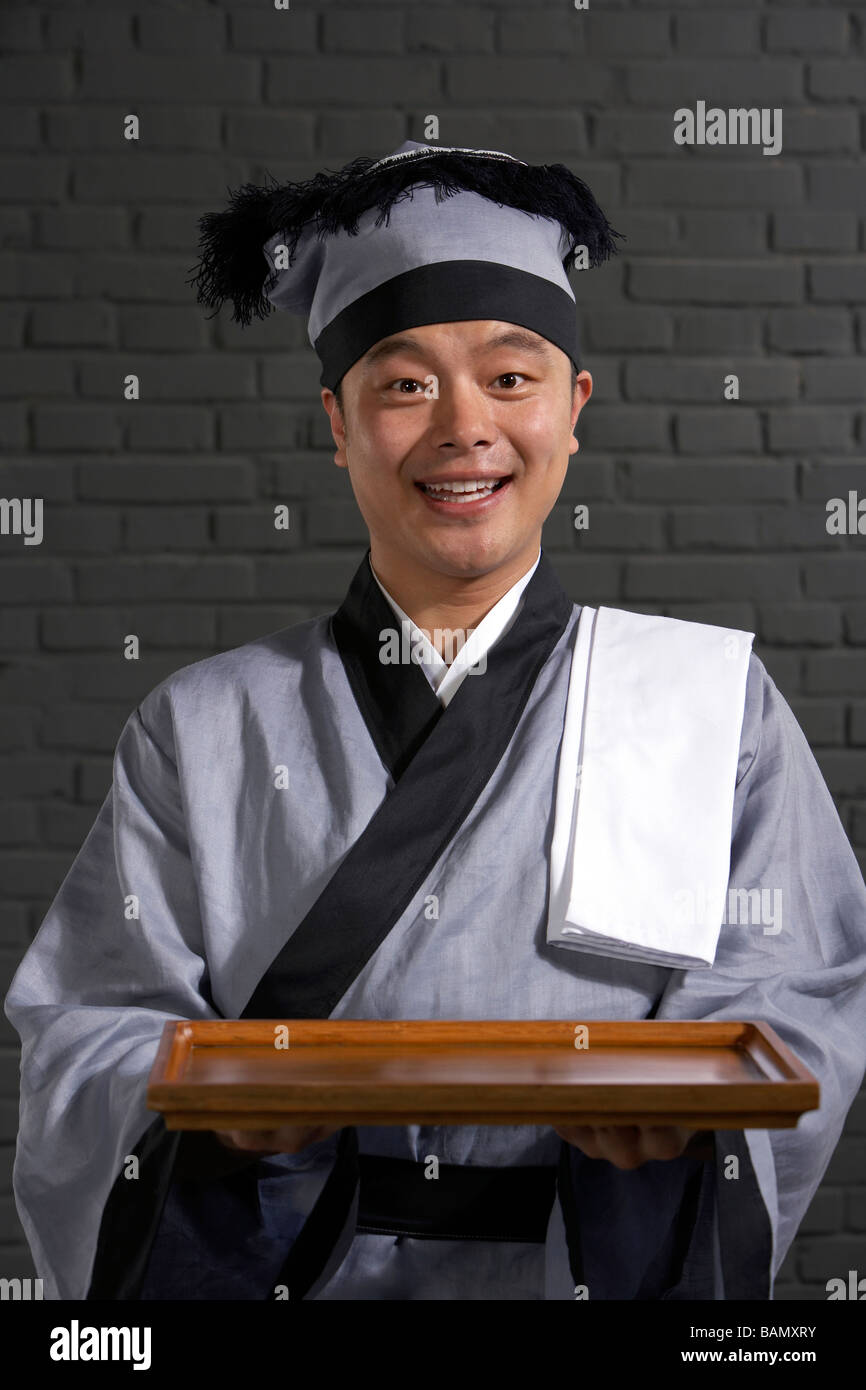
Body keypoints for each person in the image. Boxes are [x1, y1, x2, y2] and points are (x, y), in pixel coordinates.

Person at [5, 141, 866, 1302]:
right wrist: (221, 1107)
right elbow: (89, 1028)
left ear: (573, 410)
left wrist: (682, 1115)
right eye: (403, 384)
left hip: (582, 1276)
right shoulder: (199, 724)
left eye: (510, 380)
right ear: (336, 420)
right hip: (295, 1277)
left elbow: (800, 992)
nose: (464, 428)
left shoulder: (711, 704)